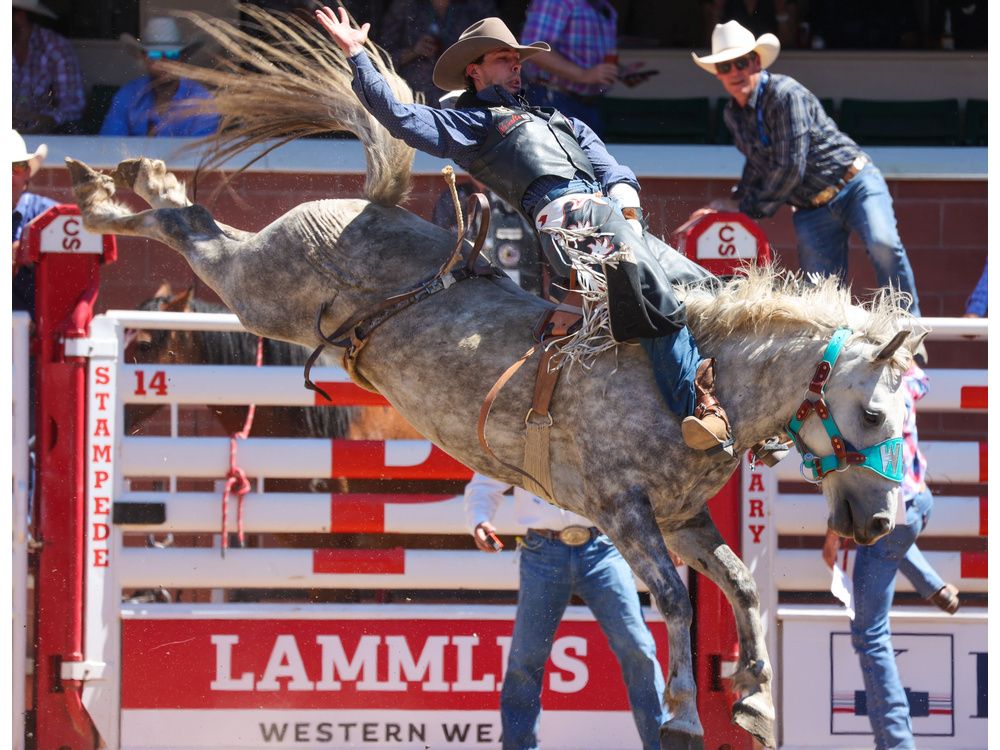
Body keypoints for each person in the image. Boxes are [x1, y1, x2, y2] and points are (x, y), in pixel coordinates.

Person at [315, 8, 734, 456]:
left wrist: (627, 212)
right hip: (570, 223)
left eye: (517, 60)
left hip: (616, 222)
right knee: (654, 293)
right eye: (503, 59)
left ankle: (756, 407)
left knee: (712, 288)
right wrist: (358, 54)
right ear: (473, 71)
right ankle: (696, 406)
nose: (516, 67)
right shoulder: (470, 125)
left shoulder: (562, 120)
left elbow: (613, 170)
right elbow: (399, 117)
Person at [692, 21, 922, 316]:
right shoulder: (732, 114)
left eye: (741, 62)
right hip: (810, 208)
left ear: (757, 62)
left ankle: (908, 328)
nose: (735, 72)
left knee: (883, 244)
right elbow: (757, 163)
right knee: (818, 297)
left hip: (854, 183)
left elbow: (789, 167)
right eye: (725, 66)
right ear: (718, 75)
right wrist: (731, 204)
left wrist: (746, 208)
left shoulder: (786, 93)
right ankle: (837, 359)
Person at [463, 471, 669, 750]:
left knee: (638, 649)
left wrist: (666, 529)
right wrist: (479, 518)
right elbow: (486, 480)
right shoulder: (524, 431)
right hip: (552, 550)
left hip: (599, 547)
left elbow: (641, 477)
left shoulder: (600, 428)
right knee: (526, 659)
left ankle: (662, 746)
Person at [821, 361, 959, 749]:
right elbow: (922, 380)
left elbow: (857, 466)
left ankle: (897, 744)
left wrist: (833, 531)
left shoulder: (864, 394)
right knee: (892, 543)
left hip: (894, 517)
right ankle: (933, 585)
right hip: (919, 504)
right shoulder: (909, 377)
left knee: (869, 634)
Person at [99, 17, 221, 137]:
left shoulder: (202, 100)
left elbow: (202, 152)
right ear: (143, 57)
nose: (163, 61)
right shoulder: (127, 94)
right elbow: (109, 144)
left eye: (172, 54)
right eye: (155, 54)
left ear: (183, 58)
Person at [518, 0, 619, 135]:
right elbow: (533, 48)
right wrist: (583, 75)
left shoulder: (604, 7)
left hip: (592, 105)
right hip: (555, 101)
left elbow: (591, 59)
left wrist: (621, 71)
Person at [379, 0, 499, 106]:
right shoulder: (405, 6)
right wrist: (413, 51)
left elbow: (497, 51)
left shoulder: (477, 5)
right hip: (413, 101)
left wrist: (465, 54)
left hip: (462, 101)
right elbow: (382, 58)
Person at [12, 0, 86, 134]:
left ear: (20, 16)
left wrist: (46, 121)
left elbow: (73, 106)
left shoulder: (55, 47)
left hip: (48, 141)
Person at [12, 129, 58, 319]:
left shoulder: (48, 214)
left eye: (16, 167)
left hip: (33, 339)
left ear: (28, 172)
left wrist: (38, 248)